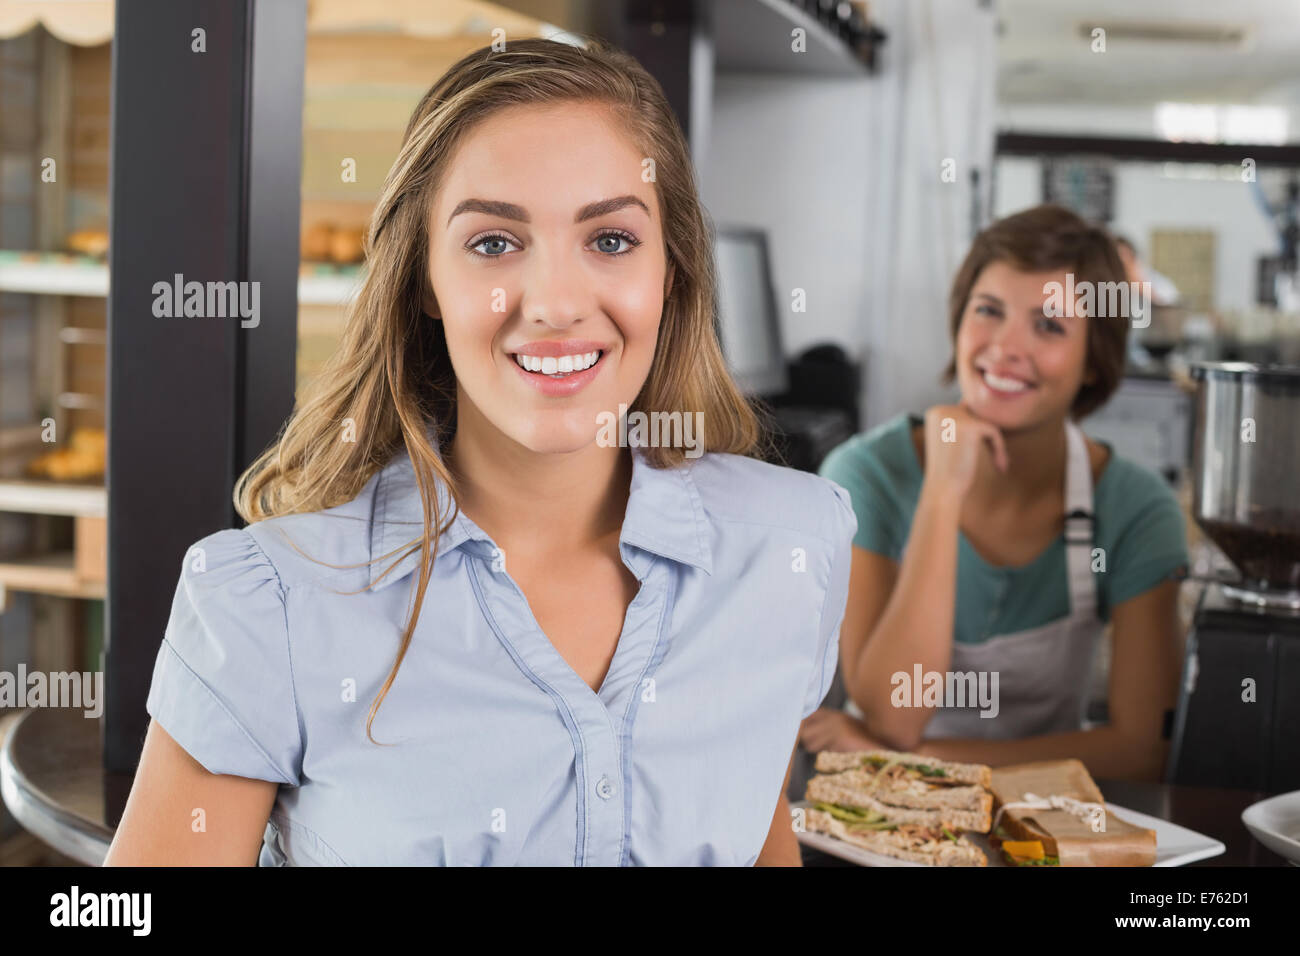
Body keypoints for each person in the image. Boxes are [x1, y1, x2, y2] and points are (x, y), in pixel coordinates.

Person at [104, 37, 856, 866]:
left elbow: (756, 827)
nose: (556, 304)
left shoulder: (792, 545)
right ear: (424, 278)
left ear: (671, 269)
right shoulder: (271, 603)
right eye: (494, 243)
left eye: (610, 239)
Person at [800, 205, 1187, 781]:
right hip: (873, 822)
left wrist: (923, 763)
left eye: (1050, 325)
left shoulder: (1135, 510)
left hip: (1042, 826)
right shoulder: (867, 473)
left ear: (1093, 360)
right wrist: (941, 495)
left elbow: (1140, 751)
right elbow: (893, 716)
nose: (1005, 347)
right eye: (989, 311)